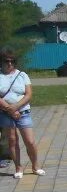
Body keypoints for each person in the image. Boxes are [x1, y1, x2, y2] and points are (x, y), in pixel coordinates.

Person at [0, 50, 45, 179]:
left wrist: (15, 108)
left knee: (30, 141)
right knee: (12, 141)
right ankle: (18, 168)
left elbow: (28, 94)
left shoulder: (22, 75)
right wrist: (10, 110)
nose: (9, 64)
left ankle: (35, 166)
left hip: (23, 112)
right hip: (5, 113)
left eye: (12, 61)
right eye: (6, 61)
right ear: (1, 62)